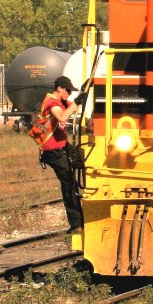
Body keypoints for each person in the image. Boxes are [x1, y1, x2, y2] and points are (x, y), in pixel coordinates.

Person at [38, 76, 84, 235]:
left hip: (62, 146)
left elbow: (75, 109)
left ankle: (82, 220)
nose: (69, 94)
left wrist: (83, 94)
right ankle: (76, 224)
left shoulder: (62, 102)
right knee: (69, 184)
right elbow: (63, 117)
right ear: (59, 88)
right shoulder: (51, 102)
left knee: (83, 166)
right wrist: (76, 102)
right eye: (68, 91)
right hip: (52, 150)